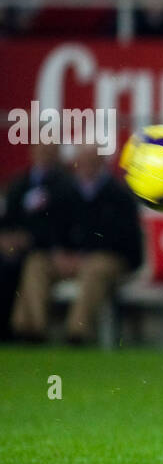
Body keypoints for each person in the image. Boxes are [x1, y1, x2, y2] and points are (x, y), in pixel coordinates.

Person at [11, 144, 142, 344]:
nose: (86, 166)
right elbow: (52, 227)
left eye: (92, 161)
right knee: (36, 263)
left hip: (106, 260)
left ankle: (77, 333)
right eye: (83, 161)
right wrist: (58, 252)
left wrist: (85, 255)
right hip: (69, 259)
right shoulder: (64, 191)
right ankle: (31, 330)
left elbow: (125, 240)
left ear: (102, 163)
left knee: (95, 268)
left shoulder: (119, 194)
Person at [0, 144, 75, 340]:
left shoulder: (65, 185)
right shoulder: (20, 183)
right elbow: (8, 219)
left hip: (43, 251)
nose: (45, 155)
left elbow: (61, 225)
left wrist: (29, 239)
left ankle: (30, 330)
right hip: (14, 250)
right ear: (32, 152)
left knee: (33, 266)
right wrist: (7, 238)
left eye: (50, 151)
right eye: (42, 150)